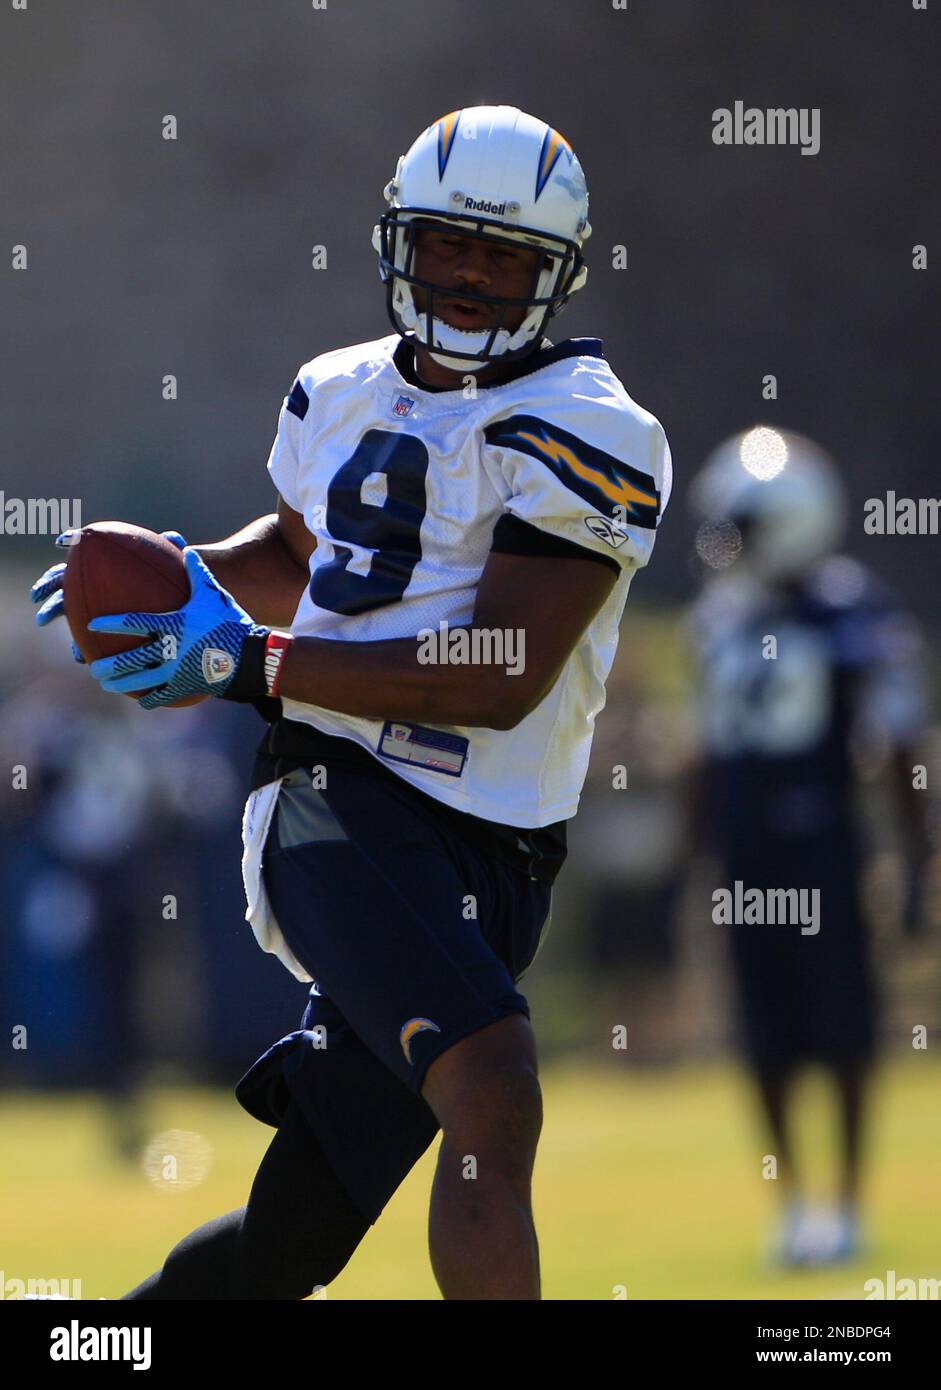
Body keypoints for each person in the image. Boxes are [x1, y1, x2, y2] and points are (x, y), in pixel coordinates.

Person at [31, 105, 671, 1300]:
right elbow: (298, 547)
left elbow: (500, 669)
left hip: (501, 839)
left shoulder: (590, 425)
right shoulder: (336, 390)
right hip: (338, 795)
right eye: (447, 245)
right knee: (495, 1079)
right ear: (397, 243)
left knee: (294, 1236)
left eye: (504, 256)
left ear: (556, 274)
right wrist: (183, 579)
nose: (470, 275)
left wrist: (245, 659)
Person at [686, 426, 930, 1267]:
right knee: (766, 1032)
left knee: (845, 1029)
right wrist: (699, 865)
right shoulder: (722, 619)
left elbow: (897, 745)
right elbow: (705, 756)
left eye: (744, 525)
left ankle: (845, 1206)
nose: (730, 544)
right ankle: (794, 1208)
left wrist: (913, 860)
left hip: (823, 849)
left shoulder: (850, 612)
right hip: (757, 853)